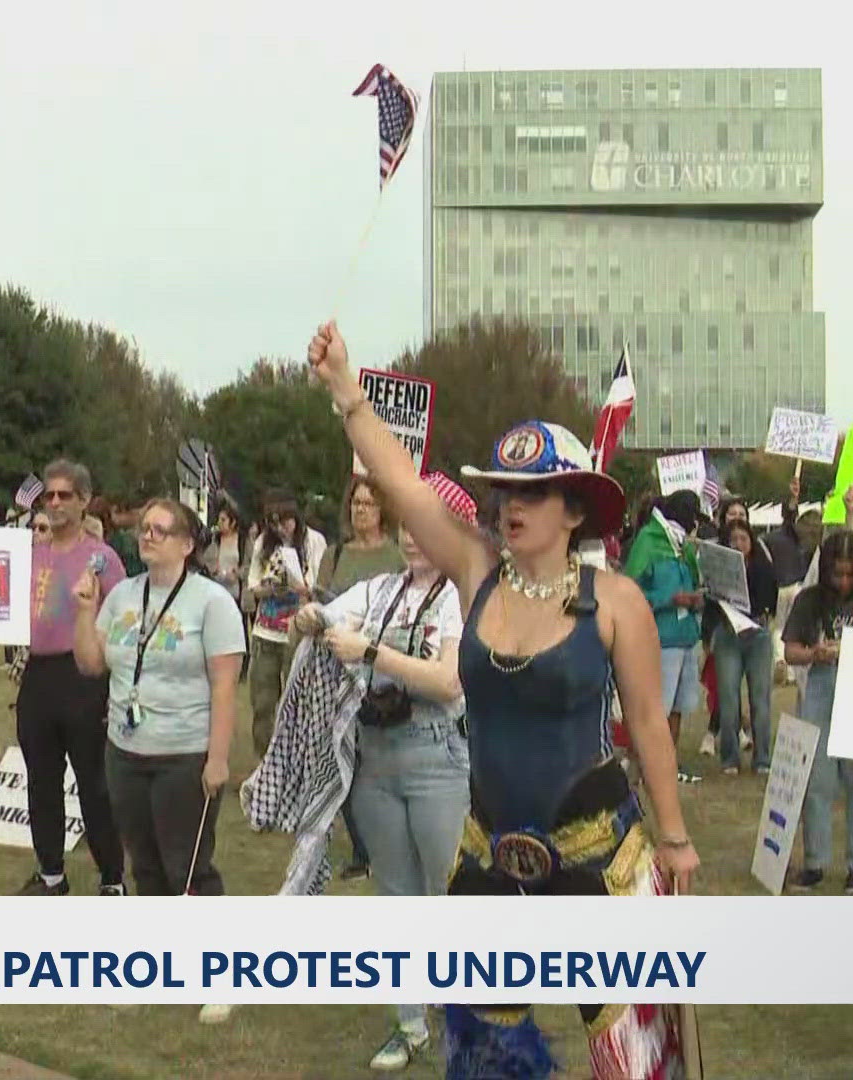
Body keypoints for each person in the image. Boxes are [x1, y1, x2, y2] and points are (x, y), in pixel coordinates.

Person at [309, 321, 699, 1080]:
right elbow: (403, 482)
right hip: (489, 854)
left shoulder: (617, 601)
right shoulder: (474, 568)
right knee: (487, 1058)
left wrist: (677, 841)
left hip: (599, 861)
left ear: (575, 510)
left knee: (633, 1063)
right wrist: (347, 391)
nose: (513, 505)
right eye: (504, 492)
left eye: (535, 492)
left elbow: (650, 725)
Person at [293, 476, 475, 1072]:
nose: (412, 538)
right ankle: (410, 1022)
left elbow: (448, 681)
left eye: (425, 528)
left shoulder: (459, 596)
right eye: (406, 526)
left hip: (435, 753)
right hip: (375, 754)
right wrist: (307, 616)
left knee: (446, 892)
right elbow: (327, 615)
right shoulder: (378, 588)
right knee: (395, 895)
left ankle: (463, 1016)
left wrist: (370, 653)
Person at [0, 460, 129, 895]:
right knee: (41, 779)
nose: (57, 502)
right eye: (50, 495)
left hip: (84, 674)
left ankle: (112, 879)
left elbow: (125, 616)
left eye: (66, 495)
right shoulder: (25, 553)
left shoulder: (102, 558)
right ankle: (51, 875)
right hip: (39, 673)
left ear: (84, 500)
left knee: (93, 782)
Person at [75, 498, 243, 902]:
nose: (147, 536)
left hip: (183, 755)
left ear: (186, 544)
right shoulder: (123, 596)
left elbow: (225, 686)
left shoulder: (211, 601)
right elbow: (91, 664)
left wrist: (218, 760)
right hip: (125, 753)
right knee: (145, 868)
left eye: (159, 530)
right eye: (144, 528)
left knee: (186, 871)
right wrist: (84, 611)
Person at [782, 530, 853, 893]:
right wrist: (815, 653)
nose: (843, 581)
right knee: (817, 780)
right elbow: (789, 651)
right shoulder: (810, 600)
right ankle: (815, 862)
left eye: (850, 574)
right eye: (836, 574)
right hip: (821, 688)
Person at [315, 475, 408, 880]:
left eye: (368, 504)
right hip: (337, 674)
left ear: (382, 510)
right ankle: (362, 849)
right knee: (344, 765)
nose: (360, 511)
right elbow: (319, 605)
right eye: (355, 503)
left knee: (380, 763)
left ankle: (389, 843)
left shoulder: (397, 556)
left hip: (382, 676)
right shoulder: (334, 556)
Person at [623, 489, 705, 785]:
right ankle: (644, 766)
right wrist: (670, 598)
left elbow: (695, 581)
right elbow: (630, 592)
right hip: (661, 639)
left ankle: (667, 765)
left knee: (679, 707)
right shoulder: (648, 541)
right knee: (657, 709)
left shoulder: (682, 546)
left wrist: (696, 597)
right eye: (695, 517)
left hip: (686, 638)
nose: (696, 524)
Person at [247, 490, 328, 758]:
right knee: (263, 703)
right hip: (266, 632)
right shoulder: (264, 543)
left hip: (298, 633)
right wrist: (271, 588)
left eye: (285, 520)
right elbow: (253, 587)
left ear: (296, 517)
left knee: (297, 702)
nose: (280, 527)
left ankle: (294, 761)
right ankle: (264, 761)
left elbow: (319, 588)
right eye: (273, 521)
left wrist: (299, 587)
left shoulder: (314, 542)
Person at [711, 517, 779, 774]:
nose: (739, 544)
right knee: (728, 698)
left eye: (743, 539)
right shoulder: (718, 569)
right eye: (733, 540)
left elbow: (770, 602)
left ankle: (762, 759)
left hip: (757, 635)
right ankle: (729, 758)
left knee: (760, 699)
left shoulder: (763, 568)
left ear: (751, 541)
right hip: (729, 635)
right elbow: (711, 606)